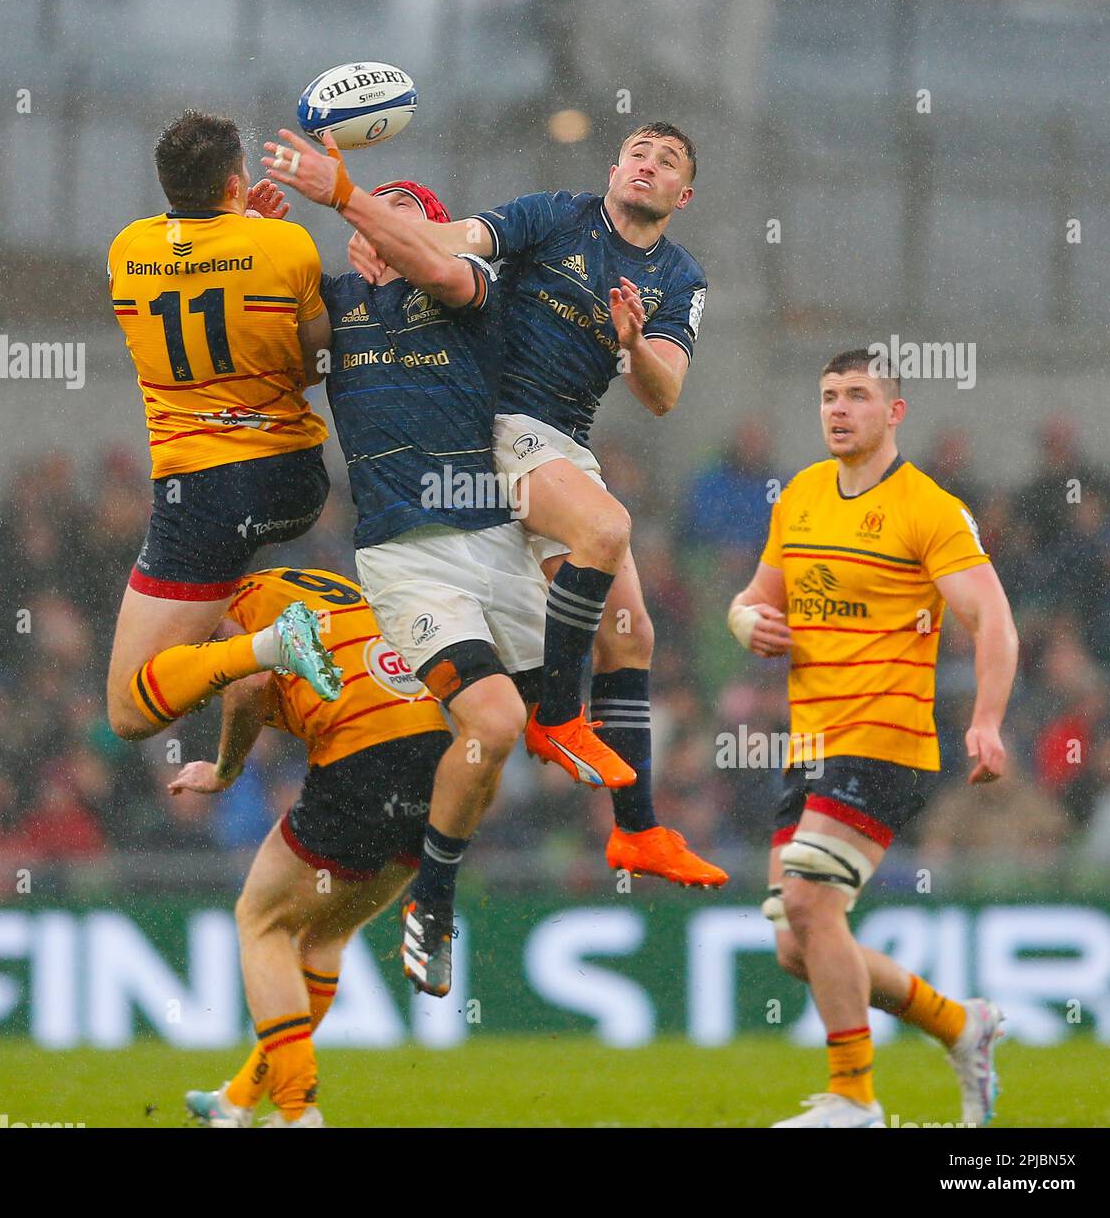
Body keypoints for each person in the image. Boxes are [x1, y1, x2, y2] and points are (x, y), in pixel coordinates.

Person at [261, 128, 658, 997]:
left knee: (589, 670)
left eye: (409, 219)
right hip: (410, 556)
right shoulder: (335, 303)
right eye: (375, 221)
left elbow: (438, 267)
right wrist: (254, 245)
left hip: (495, 541)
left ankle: (625, 819)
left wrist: (346, 193)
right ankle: (435, 901)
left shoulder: (477, 293)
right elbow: (281, 350)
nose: (383, 233)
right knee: (494, 723)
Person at [343, 123, 726, 887]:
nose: (648, 164)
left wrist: (634, 343)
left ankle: (637, 830)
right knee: (608, 527)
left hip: (564, 442)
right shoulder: (558, 214)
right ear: (615, 168)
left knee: (633, 631)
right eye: (639, 152)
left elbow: (664, 394)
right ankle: (557, 713)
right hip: (498, 426)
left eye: (668, 160)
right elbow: (458, 236)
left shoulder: (682, 277)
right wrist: (371, 218)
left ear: (683, 195)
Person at [727, 348, 1019, 1128]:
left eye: (857, 395)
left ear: (895, 412)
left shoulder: (928, 507)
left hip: (885, 738)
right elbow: (756, 598)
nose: (838, 409)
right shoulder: (801, 494)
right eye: (828, 395)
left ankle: (855, 1097)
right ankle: (962, 1024)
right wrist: (744, 621)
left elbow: (991, 616)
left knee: (808, 903)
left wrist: (985, 718)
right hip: (809, 744)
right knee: (798, 940)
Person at [172, 566, 451, 1128]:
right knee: (324, 937)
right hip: (436, 761)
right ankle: (238, 1103)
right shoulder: (321, 583)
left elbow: (249, 683)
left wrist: (225, 771)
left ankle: (298, 1112)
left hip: (363, 759)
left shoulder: (229, 605)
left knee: (261, 919)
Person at [104, 110, 339, 743]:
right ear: (236, 183)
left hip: (204, 490)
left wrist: (242, 227)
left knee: (128, 710)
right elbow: (317, 365)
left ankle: (273, 644)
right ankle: (257, 644)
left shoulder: (127, 250)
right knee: (215, 625)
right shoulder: (284, 247)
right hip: (293, 480)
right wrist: (259, 230)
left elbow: (198, 267)